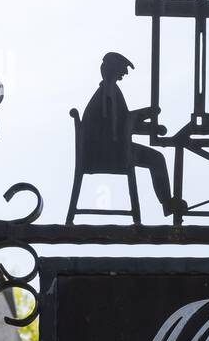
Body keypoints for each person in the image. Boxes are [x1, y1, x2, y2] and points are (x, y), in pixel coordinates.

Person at [79, 52, 186, 218]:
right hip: (107, 154)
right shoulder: (108, 93)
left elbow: (124, 122)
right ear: (113, 69)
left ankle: (167, 203)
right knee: (156, 159)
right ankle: (167, 203)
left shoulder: (110, 91)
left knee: (156, 158)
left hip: (107, 150)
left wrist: (150, 125)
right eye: (122, 69)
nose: (125, 73)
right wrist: (148, 120)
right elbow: (123, 125)